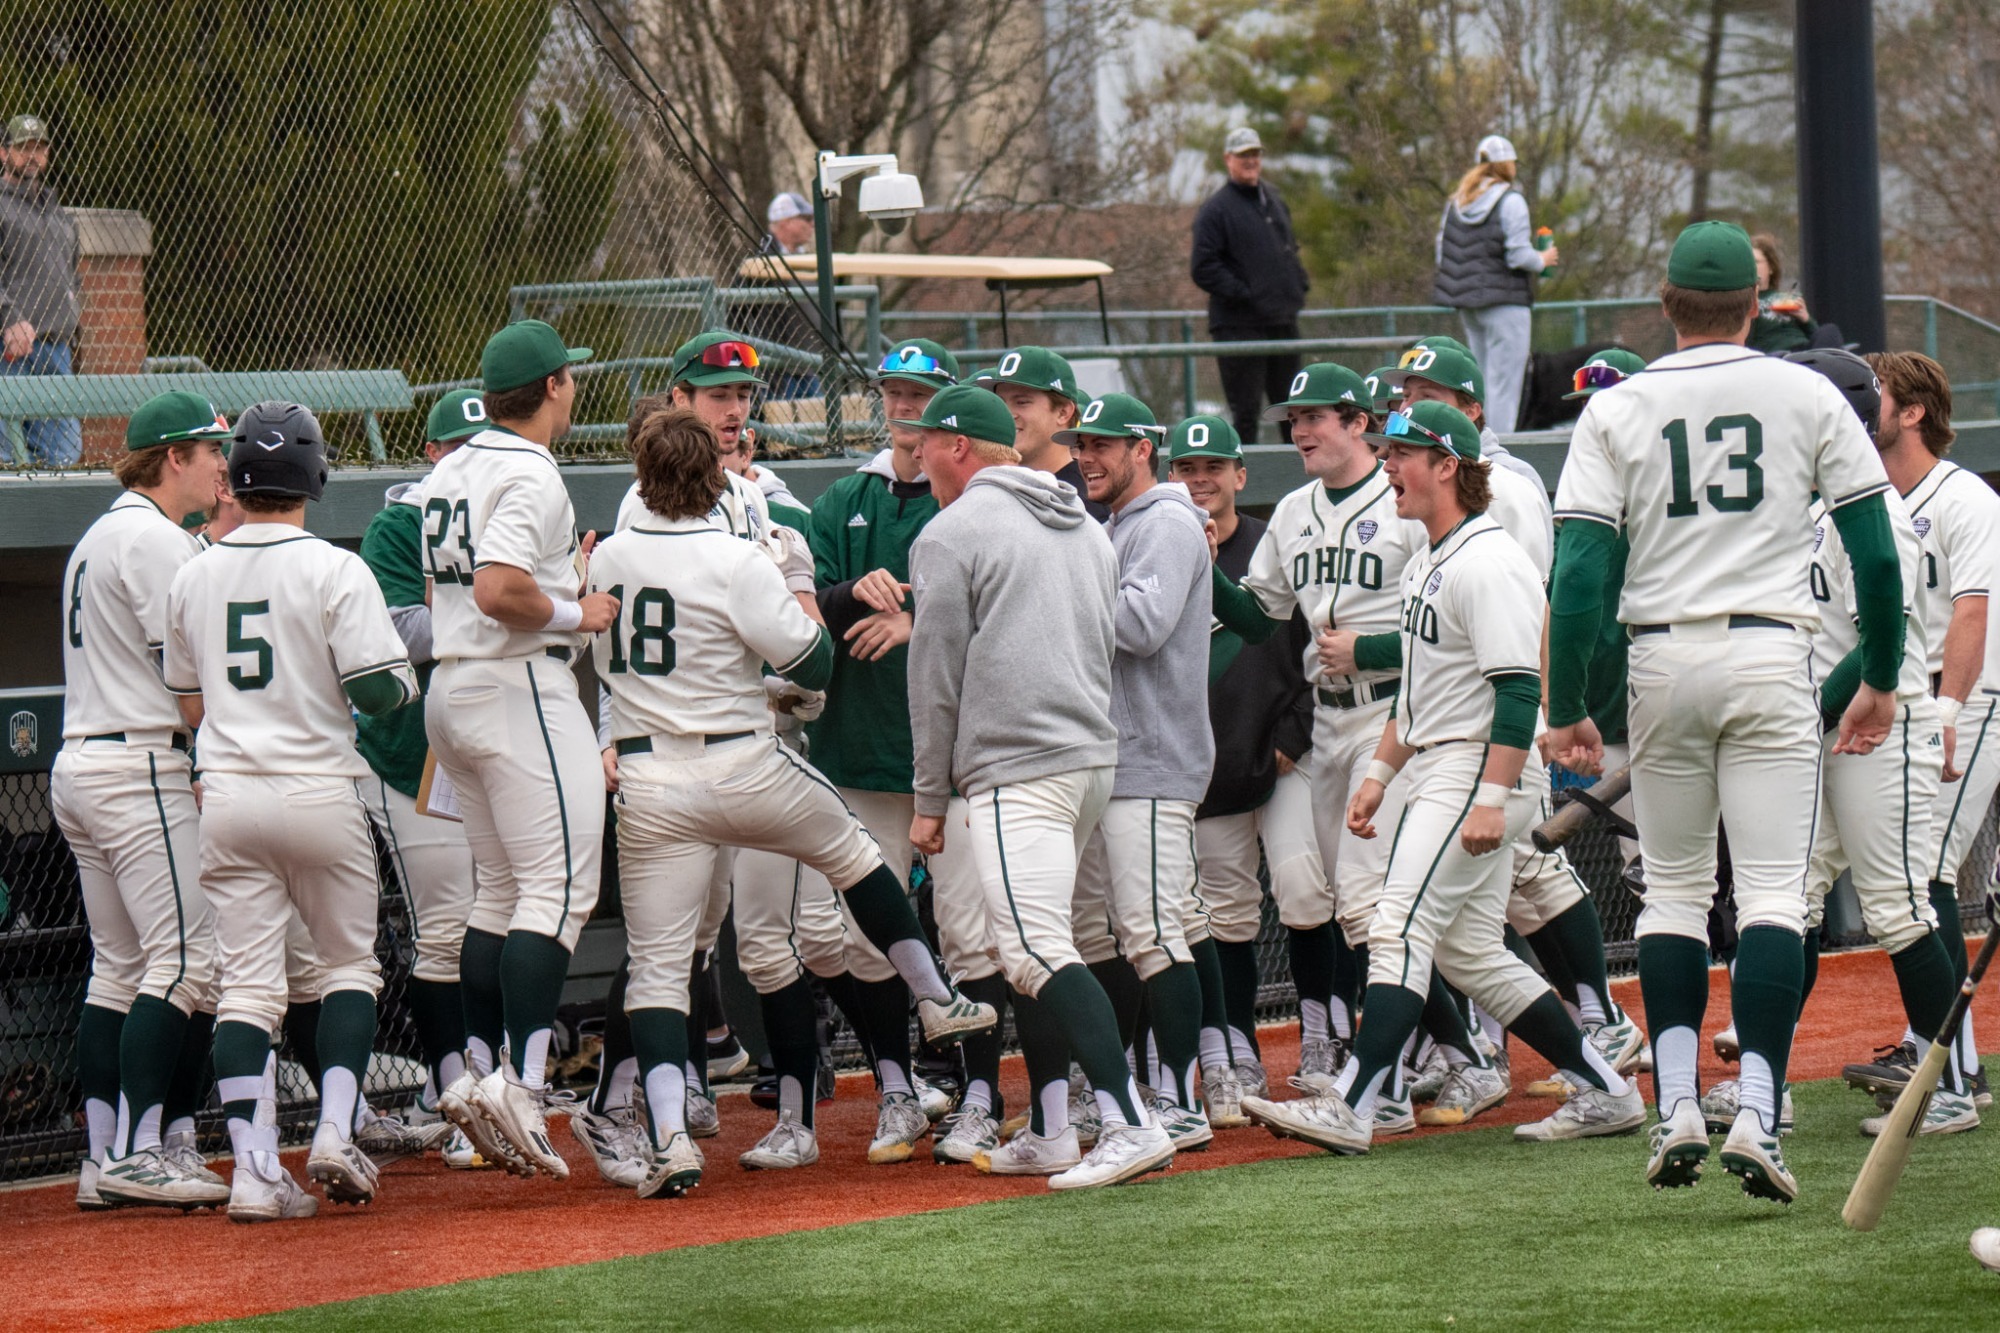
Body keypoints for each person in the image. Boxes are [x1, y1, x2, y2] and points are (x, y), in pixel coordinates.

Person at [1544, 220, 1905, 1205]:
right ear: (1754, 303)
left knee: (1667, 893)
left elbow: (1576, 578)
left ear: (1664, 304)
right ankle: (1754, 1106)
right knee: (1772, 899)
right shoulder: (1804, 390)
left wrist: (1564, 705)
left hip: (1659, 655)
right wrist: (1876, 668)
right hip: (1769, 652)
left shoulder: (1615, 407)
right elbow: (1874, 558)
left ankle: (1671, 1106)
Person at [587, 407, 995, 1198]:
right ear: (713, 479)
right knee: (853, 855)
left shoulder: (607, 556)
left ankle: (670, 1137)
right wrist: (778, 591)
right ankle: (935, 997)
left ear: (641, 477)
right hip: (742, 759)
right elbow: (812, 661)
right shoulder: (736, 555)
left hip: (649, 779)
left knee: (661, 971)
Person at [1243, 400, 1644, 1154]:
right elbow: (1418, 687)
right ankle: (1608, 1088)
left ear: (1447, 466)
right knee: (1471, 954)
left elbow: (1519, 689)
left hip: (1476, 762)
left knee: (1396, 922)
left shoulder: (1488, 559)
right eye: (1388, 452)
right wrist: (1379, 774)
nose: (1388, 467)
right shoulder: (1431, 553)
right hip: (1437, 757)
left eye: (1403, 454)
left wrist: (1493, 797)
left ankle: (1355, 1103)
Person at [904, 382, 1177, 1189]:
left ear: (960, 447)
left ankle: (1129, 1120)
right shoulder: (1087, 530)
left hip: (1017, 767)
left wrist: (927, 799)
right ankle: (1056, 1129)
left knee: (1033, 947)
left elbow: (935, 677)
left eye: (927, 439)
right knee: (1049, 942)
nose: (917, 451)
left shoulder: (953, 530)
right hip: (1089, 760)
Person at [165, 402, 418, 1220]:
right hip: (317, 790)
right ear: (312, 476)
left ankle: (253, 1170)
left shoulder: (194, 569)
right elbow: (379, 687)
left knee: (246, 990)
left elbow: (188, 700)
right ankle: (337, 1130)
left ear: (236, 476)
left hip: (230, 795)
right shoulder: (334, 567)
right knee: (347, 968)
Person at [1737, 348, 1970, 1139]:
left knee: (1898, 908)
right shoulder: (1804, 507)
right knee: (1790, 900)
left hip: (1877, 729)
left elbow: (1876, 639)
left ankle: (1949, 1086)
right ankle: (1765, 1087)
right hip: (1819, 731)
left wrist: (1803, 712)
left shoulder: (1880, 511)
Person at [421, 319, 616, 1181]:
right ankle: (525, 1084)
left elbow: (462, 591)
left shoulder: (451, 466)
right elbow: (502, 589)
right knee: (562, 884)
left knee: (499, 890)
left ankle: (481, 1072)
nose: (574, 388)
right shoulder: (529, 467)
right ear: (553, 385)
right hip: (515, 684)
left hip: (455, 687)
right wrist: (580, 611)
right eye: (570, 378)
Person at [54, 391, 229, 1211]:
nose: (221, 466)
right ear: (173, 459)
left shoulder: (103, 533)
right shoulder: (154, 540)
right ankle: (139, 1148)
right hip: (138, 767)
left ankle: (103, 1156)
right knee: (189, 961)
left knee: (118, 969)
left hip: (83, 763)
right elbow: (188, 683)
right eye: (209, 451)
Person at [1839, 350, 1998, 1110]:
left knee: (1924, 873)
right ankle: (1935, 1049)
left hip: (1967, 695)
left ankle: (1954, 1070)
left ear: (1911, 412)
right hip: (1900, 697)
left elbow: (1972, 609)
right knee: (1909, 873)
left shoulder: (1963, 496)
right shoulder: (1866, 496)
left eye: (1880, 395)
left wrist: (1951, 708)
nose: (1863, 404)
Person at [1059, 393, 1220, 1145]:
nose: (1087, 455)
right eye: (1081, 441)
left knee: (1154, 933)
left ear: (1141, 450)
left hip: (1153, 758)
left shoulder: (1166, 521)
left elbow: (1141, 627)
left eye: (1103, 443)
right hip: (1107, 757)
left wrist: (1054, 593)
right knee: (1101, 934)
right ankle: (1121, 1088)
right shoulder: (1117, 523)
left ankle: (1183, 1098)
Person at [352, 389, 487, 1171]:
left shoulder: (510, 511)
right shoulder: (399, 523)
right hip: (414, 753)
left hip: (493, 742)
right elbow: (399, 629)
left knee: (502, 919)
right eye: (458, 449)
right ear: (434, 454)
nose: (471, 463)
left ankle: (493, 1078)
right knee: (447, 923)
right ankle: (449, 1086)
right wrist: (505, 615)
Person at [1170, 413, 1319, 1105]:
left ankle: (1325, 1035)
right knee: (1223, 918)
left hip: (1287, 757)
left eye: (1213, 468)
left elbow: (1313, 647)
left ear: (1240, 475)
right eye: (1187, 468)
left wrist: (1295, 733)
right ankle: (1236, 1050)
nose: (1201, 479)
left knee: (1308, 893)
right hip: (1211, 769)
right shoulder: (1159, 546)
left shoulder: (1271, 543)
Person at [1190, 127, 1310, 444]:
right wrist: (1247, 295)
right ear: (1228, 159)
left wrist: (1298, 283)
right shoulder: (1216, 210)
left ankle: (1295, 485)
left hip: (1282, 322)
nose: (1251, 160)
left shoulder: (1272, 198)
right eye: (1243, 155)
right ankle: (1247, 489)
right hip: (1239, 328)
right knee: (1246, 416)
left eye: (1255, 154)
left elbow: (1288, 248)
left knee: (1292, 411)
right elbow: (1203, 268)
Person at [1430, 135, 1556, 437]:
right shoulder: (1510, 200)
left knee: (1482, 384)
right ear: (1507, 165)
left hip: (1468, 305)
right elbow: (1518, 255)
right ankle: (1500, 454)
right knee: (1505, 386)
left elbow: (1441, 251)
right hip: (1506, 305)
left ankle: (1478, 447)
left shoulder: (1458, 201)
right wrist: (1542, 258)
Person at [0, 114, 82, 465]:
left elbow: (72, 276)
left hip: (56, 349)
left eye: (40, 147)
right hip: (12, 348)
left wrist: (74, 329)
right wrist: (10, 319)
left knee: (62, 454)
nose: (33, 156)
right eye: (23, 148)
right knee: (4, 456)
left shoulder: (57, 211)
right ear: (4, 153)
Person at [1747, 234, 1815, 355]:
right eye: (1748, 262)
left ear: (1771, 267)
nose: (1751, 266)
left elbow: (1814, 334)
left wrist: (1806, 319)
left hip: (1804, 349)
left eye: (1756, 262)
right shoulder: (1744, 301)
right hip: (1777, 355)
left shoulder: (1787, 298)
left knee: (1830, 330)